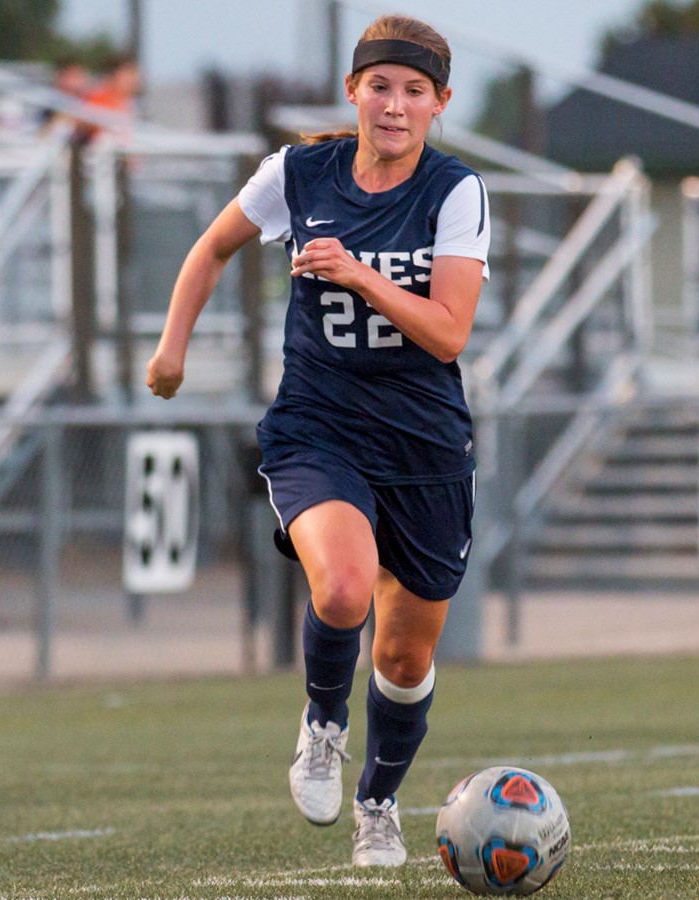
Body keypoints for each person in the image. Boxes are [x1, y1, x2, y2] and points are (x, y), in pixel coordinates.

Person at [146, 14, 488, 868]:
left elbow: (449, 335)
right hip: (318, 425)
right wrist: (171, 348)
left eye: (415, 91)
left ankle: (380, 804)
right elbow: (211, 248)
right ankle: (323, 723)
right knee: (340, 589)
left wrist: (359, 274)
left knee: (406, 655)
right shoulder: (297, 173)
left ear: (440, 103)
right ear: (353, 91)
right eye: (381, 86)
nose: (395, 105)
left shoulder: (455, 191)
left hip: (423, 445)